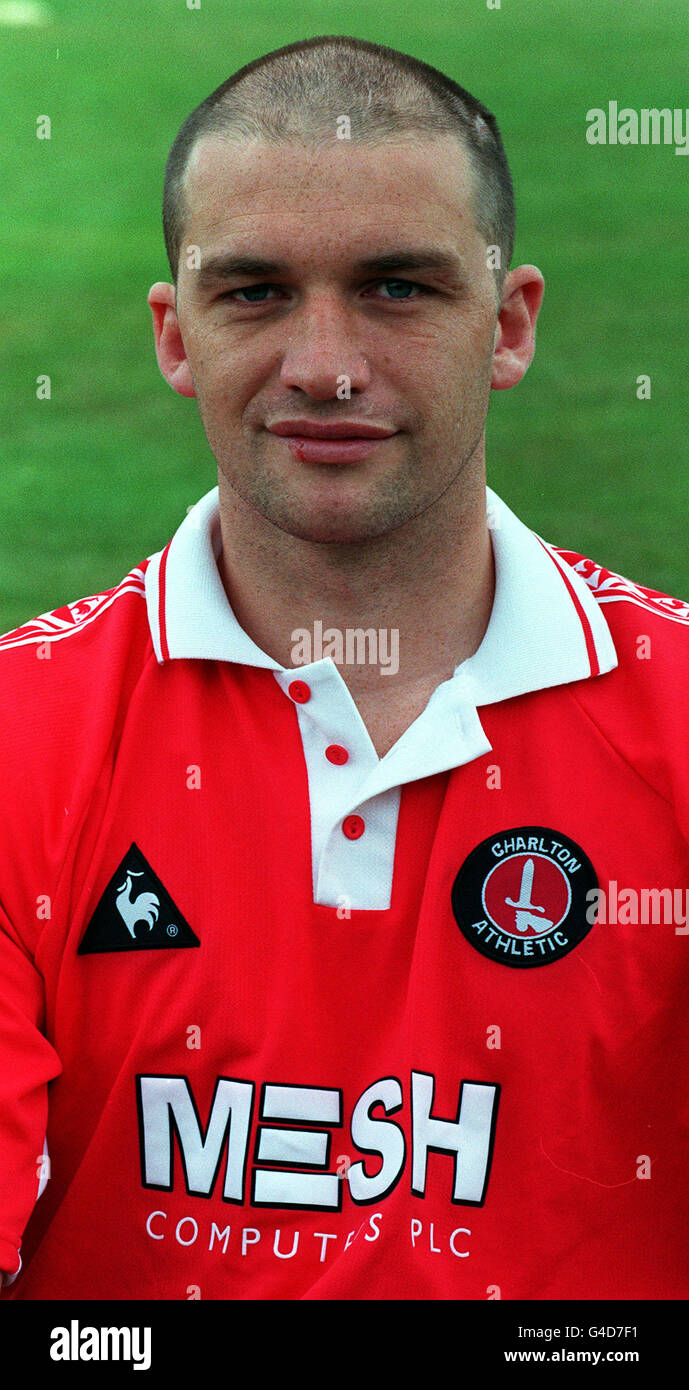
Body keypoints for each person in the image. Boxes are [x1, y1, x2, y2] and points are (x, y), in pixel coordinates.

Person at [1, 34, 687, 1302]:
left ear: (509, 323)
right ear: (174, 334)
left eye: (396, 288)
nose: (324, 366)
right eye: (254, 292)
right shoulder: (16, 739)